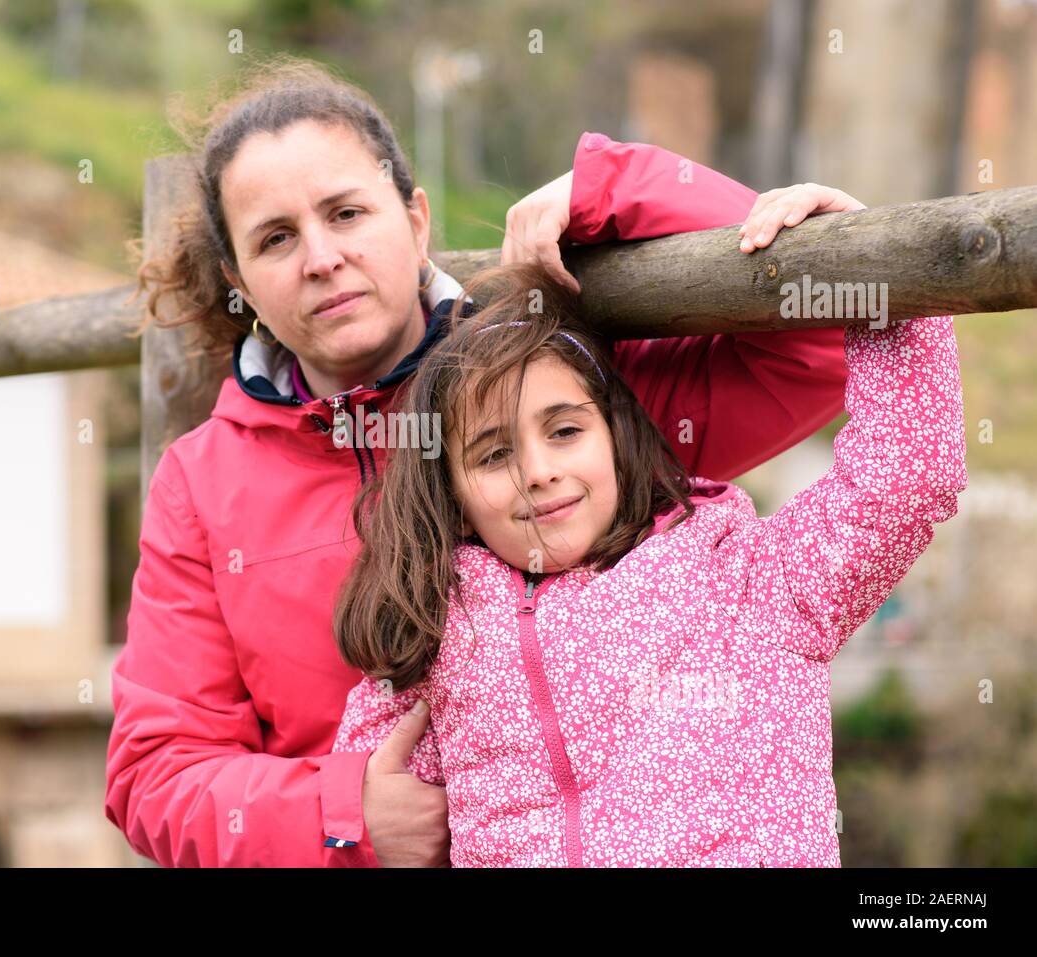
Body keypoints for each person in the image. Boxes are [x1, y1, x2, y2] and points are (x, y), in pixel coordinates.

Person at [105, 57, 851, 867]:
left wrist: (615, 187)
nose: (320, 257)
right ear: (237, 280)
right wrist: (343, 815)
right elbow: (155, 771)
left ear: (415, 218)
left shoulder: (550, 379)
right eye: (276, 238)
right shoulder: (202, 480)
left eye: (347, 212)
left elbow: (819, 349)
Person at [332, 259, 967, 867]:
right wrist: (348, 825)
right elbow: (356, 797)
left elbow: (904, 480)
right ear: (456, 498)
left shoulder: (746, 579)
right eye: (494, 456)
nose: (539, 471)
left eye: (565, 431)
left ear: (615, 436)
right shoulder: (437, 627)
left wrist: (869, 264)